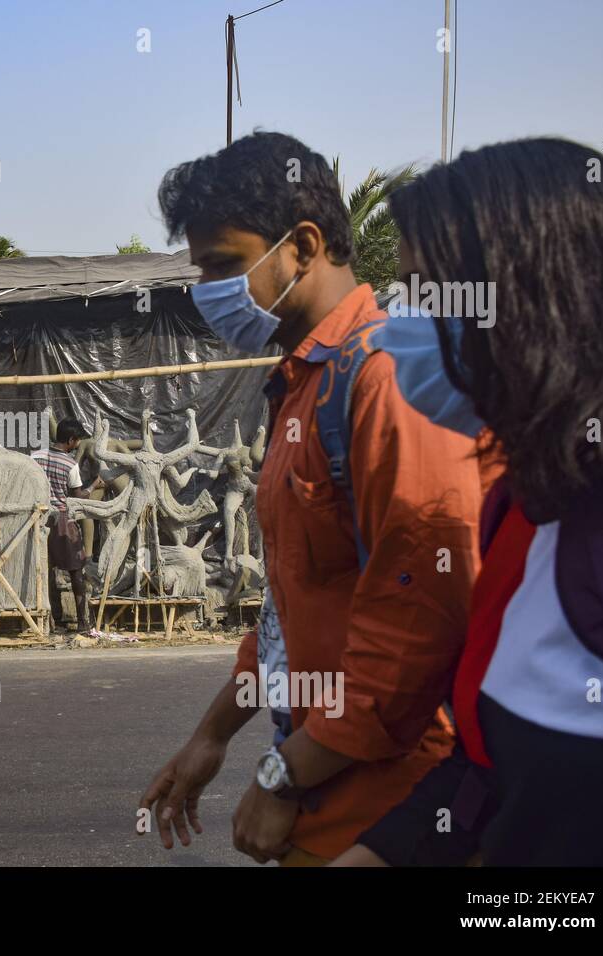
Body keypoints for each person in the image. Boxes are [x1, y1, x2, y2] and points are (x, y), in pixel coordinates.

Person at [138, 131, 489, 865]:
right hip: (330, 782)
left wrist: (281, 777)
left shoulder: (383, 378)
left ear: (302, 245)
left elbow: (416, 627)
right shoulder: (304, 382)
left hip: (392, 800)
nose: (208, 291)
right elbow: (291, 609)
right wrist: (215, 733)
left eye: (224, 265)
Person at [331, 138, 603, 867]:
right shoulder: (531, 510)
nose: (394, 323)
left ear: (538, 300)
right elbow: (490, 778)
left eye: (422, 294)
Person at [31, 417, 102, 636]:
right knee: (75, 570)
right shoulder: (70, 464)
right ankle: (83, 622)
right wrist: (94, 485)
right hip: (62, 520)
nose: (79, 444)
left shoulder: (35, 457)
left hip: (39, 520)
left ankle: (55, 621)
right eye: (78, 440)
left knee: (47, 571)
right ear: (70, 440)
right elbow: (77, 495)